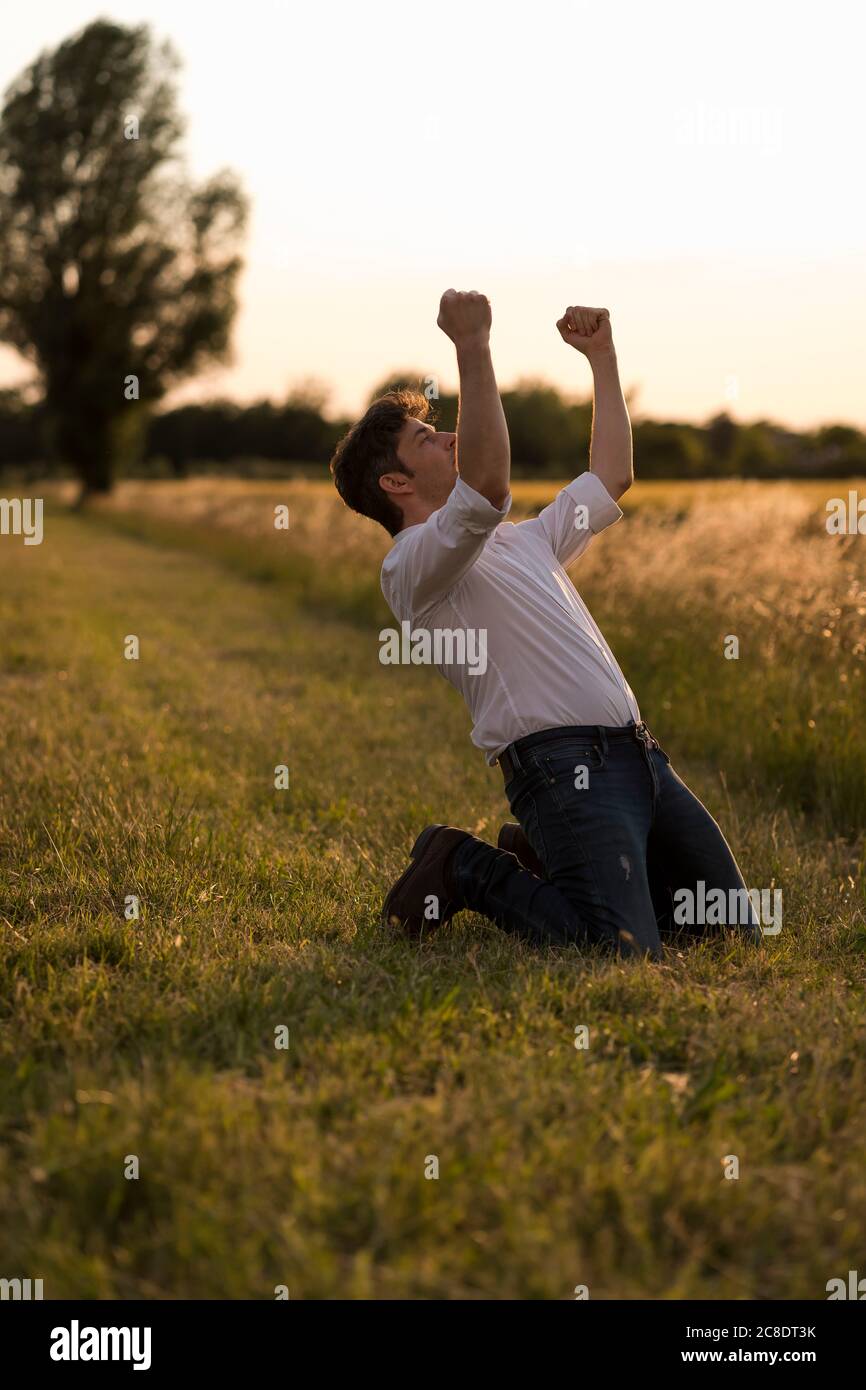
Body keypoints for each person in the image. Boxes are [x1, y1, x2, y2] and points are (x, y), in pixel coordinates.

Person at [329, 289, 761, 959]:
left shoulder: (524, 541)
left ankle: (551, 865)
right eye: (427, 438)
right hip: (559, 767)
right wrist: (472, 348)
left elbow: (611, 475)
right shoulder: (413, 566)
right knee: (616, 949)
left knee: (728, 929)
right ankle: (465, 865)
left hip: (640, 756)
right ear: (396, 484)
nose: (447, 436)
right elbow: (488, 485)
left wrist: (603, 357)